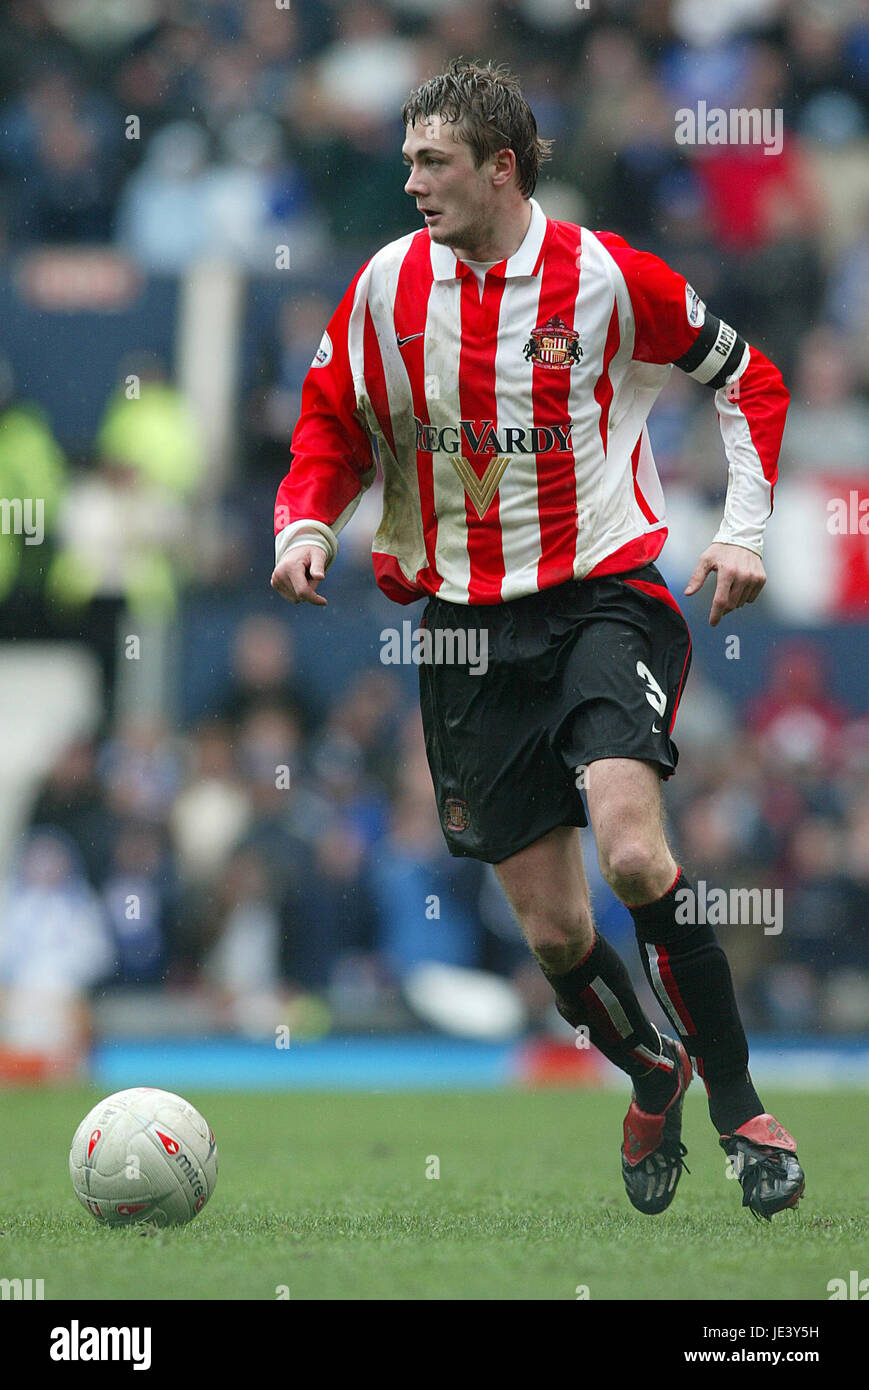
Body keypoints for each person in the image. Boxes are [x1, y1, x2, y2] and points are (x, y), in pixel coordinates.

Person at [270, 60, 803, 1220]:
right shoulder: (381, 289)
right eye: (407, 158)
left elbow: (747, 377)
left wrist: (742, 533)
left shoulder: (605, 276)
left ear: (500, 168)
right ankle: (650, 1068)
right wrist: (307, 519)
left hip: (602, 596)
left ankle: (740, 1106)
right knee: (557, 930)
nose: (409, 180)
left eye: (431, 162)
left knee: (628, 850)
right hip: (462, 633)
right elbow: (332, 427)